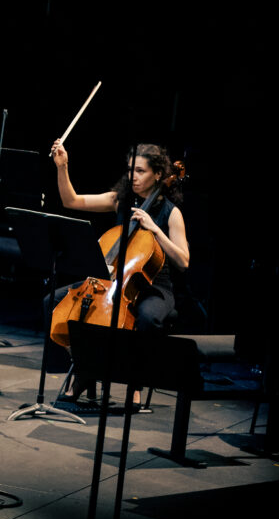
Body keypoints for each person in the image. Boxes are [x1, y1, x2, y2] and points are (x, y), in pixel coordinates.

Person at [49, 139, 190, 402]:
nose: (133, 176)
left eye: (140, 171)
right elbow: (71, 201)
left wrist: (155, 229)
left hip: (154, 286)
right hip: (113, 280)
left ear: (158, 174)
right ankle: (86, 367)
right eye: (130, 170)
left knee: (148, 318)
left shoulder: (171, 213)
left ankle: (134, 382)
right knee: (54, 302)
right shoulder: (121, 200)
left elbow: (183, 261)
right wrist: (62, 167)